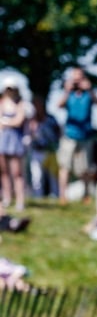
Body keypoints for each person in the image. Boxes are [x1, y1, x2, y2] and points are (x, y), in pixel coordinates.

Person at [56, 66, 97, 205]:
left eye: (79, 78)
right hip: (69, 135)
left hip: (86, 135)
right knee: (65, 166)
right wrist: (66, 91)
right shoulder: (69, 94)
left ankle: (86, 195)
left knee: (85, 168)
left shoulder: (88, 94)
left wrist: (90, 89)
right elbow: (59, 105)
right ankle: (62, 196)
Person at [0, 77, 32, 214]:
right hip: (3, 140)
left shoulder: (21, 104)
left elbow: (19, 121)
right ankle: (7, 198)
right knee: (4, 172)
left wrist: (6, 122)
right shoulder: (2, 103)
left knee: (17, 173)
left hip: (16, 140)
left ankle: (20, 200)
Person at [27, 95, 61, 198]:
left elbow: (58, 132)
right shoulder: (30, 120)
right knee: (37, 177)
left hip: (50, 151)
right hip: (36, 151)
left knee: (53, 176)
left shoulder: (51, 119)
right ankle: (38, 196)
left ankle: (56, 196)